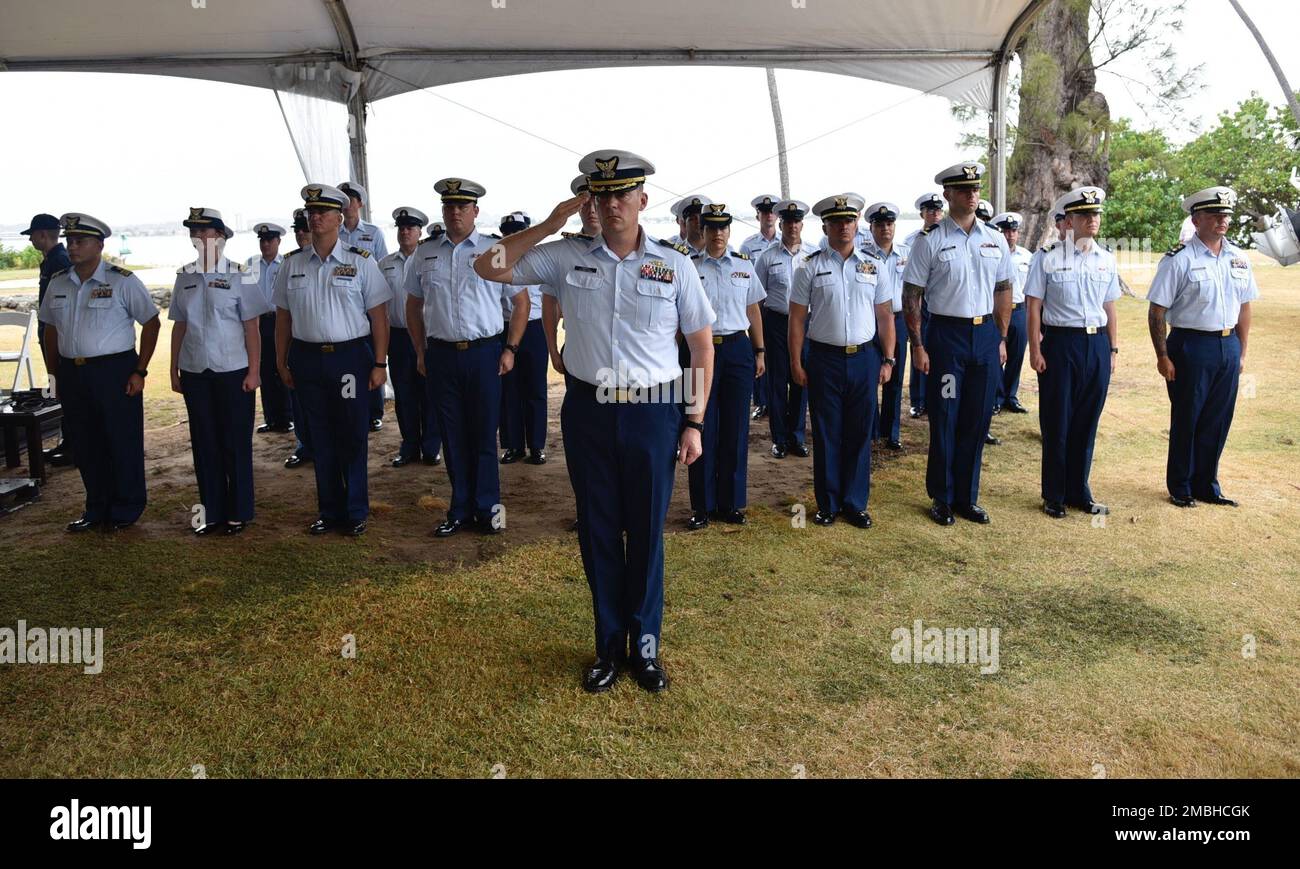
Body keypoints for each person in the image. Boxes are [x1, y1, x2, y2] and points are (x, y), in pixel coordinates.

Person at [474, 149, 715, 694]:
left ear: (643, 200)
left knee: (648, 532)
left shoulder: (674, 263)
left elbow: (702, 346)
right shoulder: (563, 255)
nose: (612, 206)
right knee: (599, 529)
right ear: (591, 201)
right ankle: (608, 646)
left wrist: (694, 419)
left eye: (622, 194)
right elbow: (485, 265)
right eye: (602, 195)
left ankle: (645, 649)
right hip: (589, 408)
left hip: (655, 410)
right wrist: (551, 223)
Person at [404, 178, 529, 537]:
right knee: (453, 435)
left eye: (462, 206)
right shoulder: (425, 253)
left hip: (484, 354)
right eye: (449, 206)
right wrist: (419, 350)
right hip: (441, 355)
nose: (455, 212)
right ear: (443, 211)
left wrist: (511, 348)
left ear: (475, 211)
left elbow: (519, 303)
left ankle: (489, 510)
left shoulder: (495, 250)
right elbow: (413, 305)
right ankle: (458, 509)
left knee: (484, 435)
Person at [272, 184, 390, 537]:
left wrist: (380, 363)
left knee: (351, 432)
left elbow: (379, 316)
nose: (315, 217)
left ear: (340, 218)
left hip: (349, 358)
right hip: (307, 359)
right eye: (311, 212)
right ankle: (329, 509)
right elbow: (283, 319)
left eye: (323, 211)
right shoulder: (292, 265)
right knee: (318, 436)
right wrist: (281, 361)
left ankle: (355, 509)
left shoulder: (360, 262)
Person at [902, 162, 1015, 526]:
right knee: (946, 415)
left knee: (977, 418)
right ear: (947, 194)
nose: (971, 194)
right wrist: (918, 345)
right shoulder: (930, 241)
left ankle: (968, 496)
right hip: (946, 338)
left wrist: (999, 337)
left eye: (976, 188)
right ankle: (943, 496)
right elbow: (912, 296)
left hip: (983, 338)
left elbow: (1003, 289)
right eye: (963, 189)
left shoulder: (994, 238)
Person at [38, 213, 160, 532]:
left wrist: (140, 371)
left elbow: (151, 322)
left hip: (115, 370)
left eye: (80, 241)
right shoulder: (59, 281)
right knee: (85, 443)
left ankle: (126, 507)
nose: (73, 246)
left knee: (121, 440)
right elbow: (50, 330)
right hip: (72, 373)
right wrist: (54, 374)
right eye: (70, 241)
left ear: (99, 245)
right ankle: (96, 507)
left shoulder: (122, 280)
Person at [1147, 186, 1258, 508]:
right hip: (1190, 345)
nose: (1222, 220)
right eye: (1214, 215)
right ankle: (1180, 486)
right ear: (1196, 220)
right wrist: (1163, 356)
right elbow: (1157, 310)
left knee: (1218, 418)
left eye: (1225, 215)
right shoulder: (1178, 260)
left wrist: (1242, 351)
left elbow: (1245, 306)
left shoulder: (1239, 258)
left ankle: (1206, 484)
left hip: (1227, 344)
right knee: (1188, 417)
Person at [789, 193, 895, 528]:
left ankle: (854, 502)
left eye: (849, 221)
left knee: (860, 431)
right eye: (836, 221)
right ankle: (828, 503)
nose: (843, 227)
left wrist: (889, 359)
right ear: (826, 225)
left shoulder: (872, 265)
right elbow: (796, 319)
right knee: (826, 431)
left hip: (864, 358)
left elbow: (885, 316)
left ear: (856, 224)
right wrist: (795, 362)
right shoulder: (810, 265)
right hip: (824, 359)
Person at [170, 207, 269, 535]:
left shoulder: (241, 274)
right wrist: (174, 370)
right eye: (193, 233)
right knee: (204, 442)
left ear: (222, 237)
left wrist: (255, 372)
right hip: (196, 370)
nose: (198, 238)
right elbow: (179, 326)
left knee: (235, 442)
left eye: (204, 232)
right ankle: (210, 512)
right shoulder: (184, 275)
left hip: (233, 370)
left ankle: (238, 512)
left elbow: (252, 327)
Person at [1024, 188, 1120, 518]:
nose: (1092, 220)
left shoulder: (1106, 258)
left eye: (1096, 215)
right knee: (1057, 420)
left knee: (1086, 420)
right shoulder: (1048, 256)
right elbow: (1033, 306)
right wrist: (1035, 349)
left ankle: (1080, 490)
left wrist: (1113, 347)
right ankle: (1054, 494)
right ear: (1070, 221)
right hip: (1060, 343)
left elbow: (1109, 306)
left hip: (1095, 344)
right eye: (1085, 216)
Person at [685, 203, 765, 529]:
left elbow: (754, 310)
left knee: (735, 428)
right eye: (711, 228)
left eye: (723, 228)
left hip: (736, 350)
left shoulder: (744, 266)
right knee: (698, 425)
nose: (717, 234)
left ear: (729, 231)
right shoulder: (688, 266)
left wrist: (759, 351)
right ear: (701, 231)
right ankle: (701, 507)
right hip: (697, 353)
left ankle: (730, 503)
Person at [754, 199, 817, 458]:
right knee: (778, 382)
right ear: (781, 224)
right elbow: (756, 297)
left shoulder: (813, 256)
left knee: (801, 379)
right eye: (788, 222)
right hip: (777, 323)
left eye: (796, 221)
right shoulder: (767, 257)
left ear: (802, 224)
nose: (792, 226)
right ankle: (779, 438)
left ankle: (797, 436)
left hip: (806, 323)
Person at [379, 206, 441, 467]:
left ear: (419, 232)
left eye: (410, 228)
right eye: (401, 228)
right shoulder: (385, 264)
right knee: (404, 394)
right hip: (398, 337)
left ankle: (431, 447)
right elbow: (378, 307)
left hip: (428, 336)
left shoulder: (429, 259)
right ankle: (409, 445)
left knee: (430, 393)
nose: (405, 232)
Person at [497, 211, 549, 466]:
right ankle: (513, 445)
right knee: (509, 391)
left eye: (518, 232)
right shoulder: (497, 262)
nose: (513, 237)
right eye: (508, 234)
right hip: (505, 329)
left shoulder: (541, 259)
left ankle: (537, 445)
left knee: (536, 390)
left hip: (536, 328)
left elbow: (554, 298)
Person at [21, 213, 73, 466]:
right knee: (58, 385)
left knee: (65, 386)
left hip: (59, 335)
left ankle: (74, 444)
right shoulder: (51, 260)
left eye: (32, 234)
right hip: (49, 331)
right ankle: (68, 441)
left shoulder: (60, 261)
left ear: (42, 234)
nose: (30, 239)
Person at [338, 181, 389, 431]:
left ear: (360, 203)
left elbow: (381, 269)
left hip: (368, 306)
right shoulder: (332, 233)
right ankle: (348, 406)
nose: (347, 203)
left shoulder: (373, 233)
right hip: (344, 308)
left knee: (372, 359)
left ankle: (374, 411)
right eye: (343, 199)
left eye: (351, 199)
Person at [862, 202, 911, 451]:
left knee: (895, 376)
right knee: (870, 376)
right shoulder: (862, 256)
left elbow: (915, 292)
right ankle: (870, 429)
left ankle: (891, 432)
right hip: (869, 321)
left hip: (898, 320)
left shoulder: (906, 254)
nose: (885, 229)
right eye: (879, 224)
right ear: (871, 228)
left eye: (889, 224)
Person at [248, 222, 292, 434]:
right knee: (263, 369)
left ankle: (287, 417)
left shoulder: (286, 263)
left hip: (280, 321)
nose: (265, 244)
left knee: (281, 366)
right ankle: (271, 417)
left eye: (269, 240)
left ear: (278, 241)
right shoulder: (250, 265)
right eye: (262, 240)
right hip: (258, 323)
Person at [739, 194, 780, 419]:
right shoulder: (748, 245)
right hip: (756, 305)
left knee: (774, 356)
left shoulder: (782, 243)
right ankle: (761, 401)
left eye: (772, 212)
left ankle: (774, 399)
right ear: (758, 216)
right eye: (765, 212)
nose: (769, 216)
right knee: (758, 350)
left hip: (775, 306)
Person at [990, 212, 1034, 415]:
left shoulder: (1027, 256)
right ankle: (996, 397)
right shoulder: (993, 254)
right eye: (1006, 231)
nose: (1010, 235)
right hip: (996, 311)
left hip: (1019, 311)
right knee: (997, 355)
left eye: (1014, 231)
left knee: (1016, 356)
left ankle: (1010, 396)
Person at [906, 192, 944, 419]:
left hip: (938, 304)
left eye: (938, 210)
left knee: (939, 356)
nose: (935, 214)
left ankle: (935, 398)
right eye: (931, 211)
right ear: (922, 214)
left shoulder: (947, 235)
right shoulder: (912, 240)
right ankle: (918, 400)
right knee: (918, 350)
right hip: (919, 305)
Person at [284, 208, 316, 469]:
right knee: (301, 402)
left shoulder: (346, 259)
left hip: (333, 346)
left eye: (305, 228)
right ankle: (305, 445)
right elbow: (282, 316)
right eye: (298, 230)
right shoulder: (291, 263)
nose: (302, 234)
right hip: (299, 344)